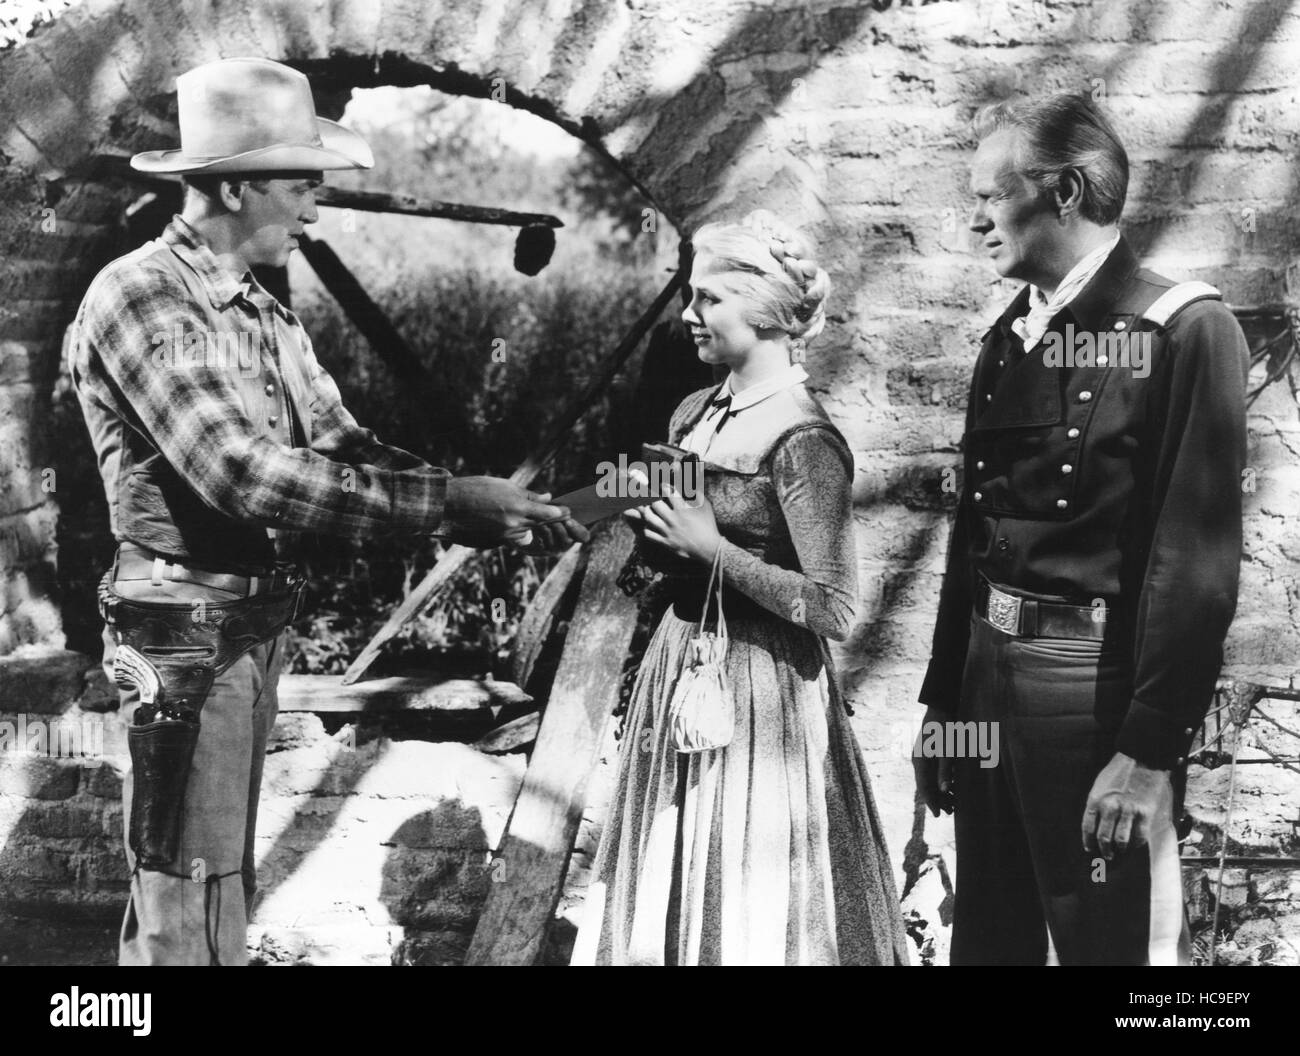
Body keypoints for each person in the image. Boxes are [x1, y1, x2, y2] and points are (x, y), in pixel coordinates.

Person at [69, 56, 586, 965]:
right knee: (184, 882)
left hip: (247, 623)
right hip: (178, 628)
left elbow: (340, 445)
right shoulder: (141, 295)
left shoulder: (267, 317)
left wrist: (484, 506)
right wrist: (442, 505)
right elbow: (244, 475)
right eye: (301, 183)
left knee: (214, 868)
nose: (315, 207)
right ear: (230, 185)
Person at [914, 93, 1249, 965]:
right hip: (987, 679)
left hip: (1087, 693)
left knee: (1114, 948)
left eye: (991, 195)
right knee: (990, 941)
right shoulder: (1011, 337)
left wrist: (1146, 753)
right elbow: (974, 537)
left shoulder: (1180, 327)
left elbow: (1196, 565)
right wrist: (944, 703)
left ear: (1063, 192)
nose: (975, 219)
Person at [572, 211, 910, 966]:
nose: (689, 315)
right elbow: (656, 503)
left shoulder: (804, 440)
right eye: (692, 297)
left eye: (707, 299)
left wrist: (712, 549)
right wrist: (573, 515)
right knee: (672, 849)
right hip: (681, 664)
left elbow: (833, 605)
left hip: (763, 689)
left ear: (762, 311)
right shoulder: (695, 411)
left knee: (748, 870)